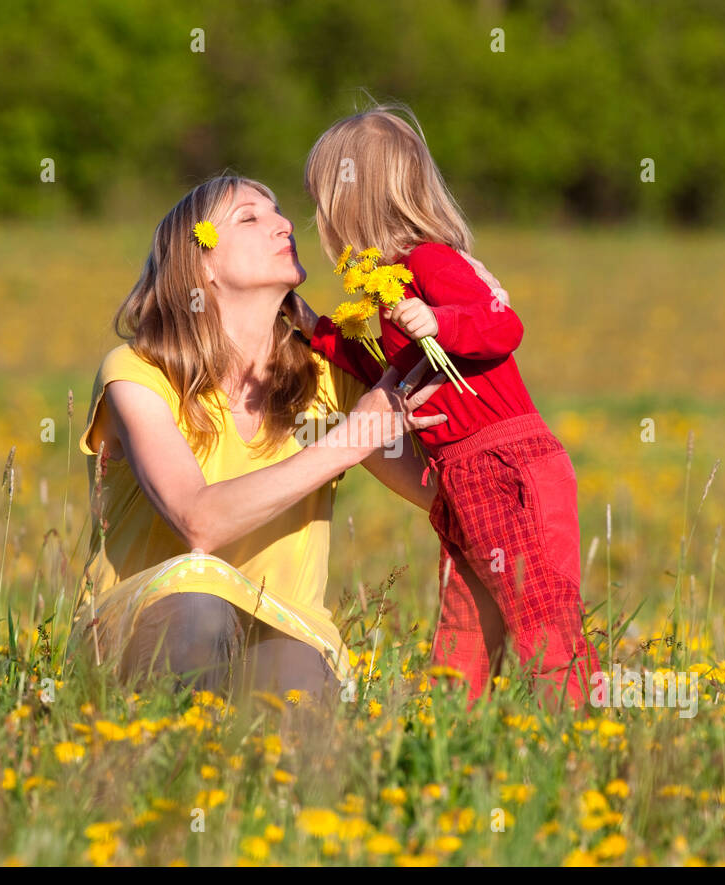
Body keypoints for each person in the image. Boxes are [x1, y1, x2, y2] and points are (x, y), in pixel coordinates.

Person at [73, 173, 447, 718]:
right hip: (142, 622)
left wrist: (466, 317)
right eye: (250, 217)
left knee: (294, 684)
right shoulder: (137, 373)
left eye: (277, 211)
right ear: (200, 264)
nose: (283, 223)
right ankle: (155, 779)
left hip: (284, 626)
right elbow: (199, 523)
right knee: (200, 605)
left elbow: (441, 493)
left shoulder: (329, 377)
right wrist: (355, 436)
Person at [288, 104, 601, 712]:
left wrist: (442, 321)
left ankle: (584, 734)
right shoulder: (387, 285)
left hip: (503, 462)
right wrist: (316, 332)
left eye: (322, 200)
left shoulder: (431, 262)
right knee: (465, 626)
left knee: (540, 613)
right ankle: (444, 739)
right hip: (463, 476)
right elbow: (393, 376)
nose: (319, 218)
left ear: (358, 203)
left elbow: (503, 325)